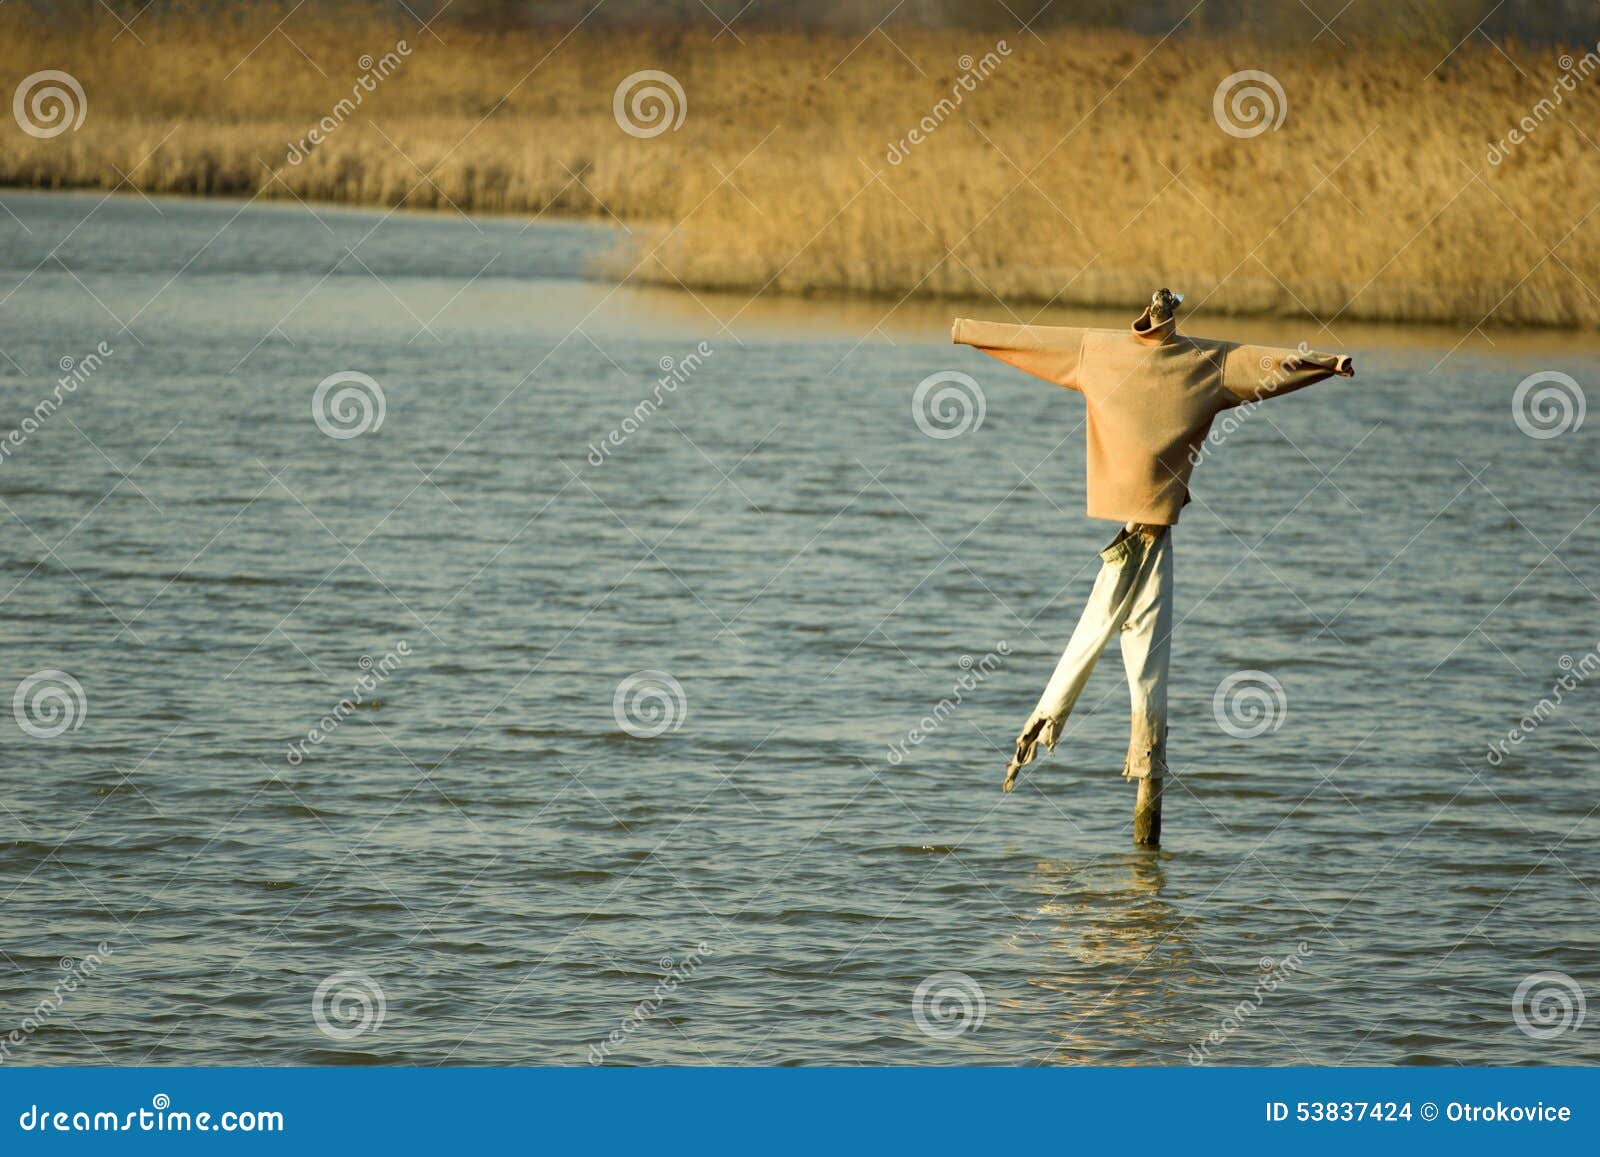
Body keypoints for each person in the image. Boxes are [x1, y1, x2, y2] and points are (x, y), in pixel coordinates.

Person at [951, 290, 1354, 799]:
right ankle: (1123, 767)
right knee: (1126, 650)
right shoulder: (1186, 359)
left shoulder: (1188, 359)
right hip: (1141, 534)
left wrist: (1325, 364)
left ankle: (1081, 741)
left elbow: (1270, 365)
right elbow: (1028, 342)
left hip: (1144, 532)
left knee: (1118, 646)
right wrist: (1327, 364)